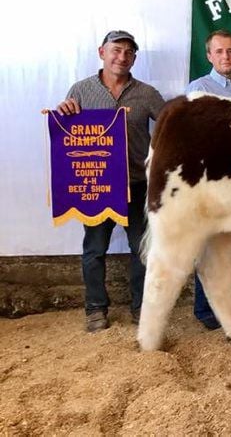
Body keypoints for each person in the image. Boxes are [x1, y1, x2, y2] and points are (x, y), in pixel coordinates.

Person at [55, 30, 165, 332]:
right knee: (94, 249)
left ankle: (141, 308)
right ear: (101, 52)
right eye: (117, 50)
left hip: (138, 182)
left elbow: (169, 123)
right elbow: (67, 135)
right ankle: (95, 309)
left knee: (142, 249)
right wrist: (64, 114)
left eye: (129, 52)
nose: (122, 56)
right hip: (97, 185)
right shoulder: (80, 90)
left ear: (134, 58)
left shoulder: (147, 93)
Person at [186, 29, 231, 330]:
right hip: (211, 183)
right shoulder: (198, 88)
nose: (225, 57)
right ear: (209, 56)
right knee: (211, 249)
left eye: (230, 51)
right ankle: (207, 312)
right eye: (219, 52)